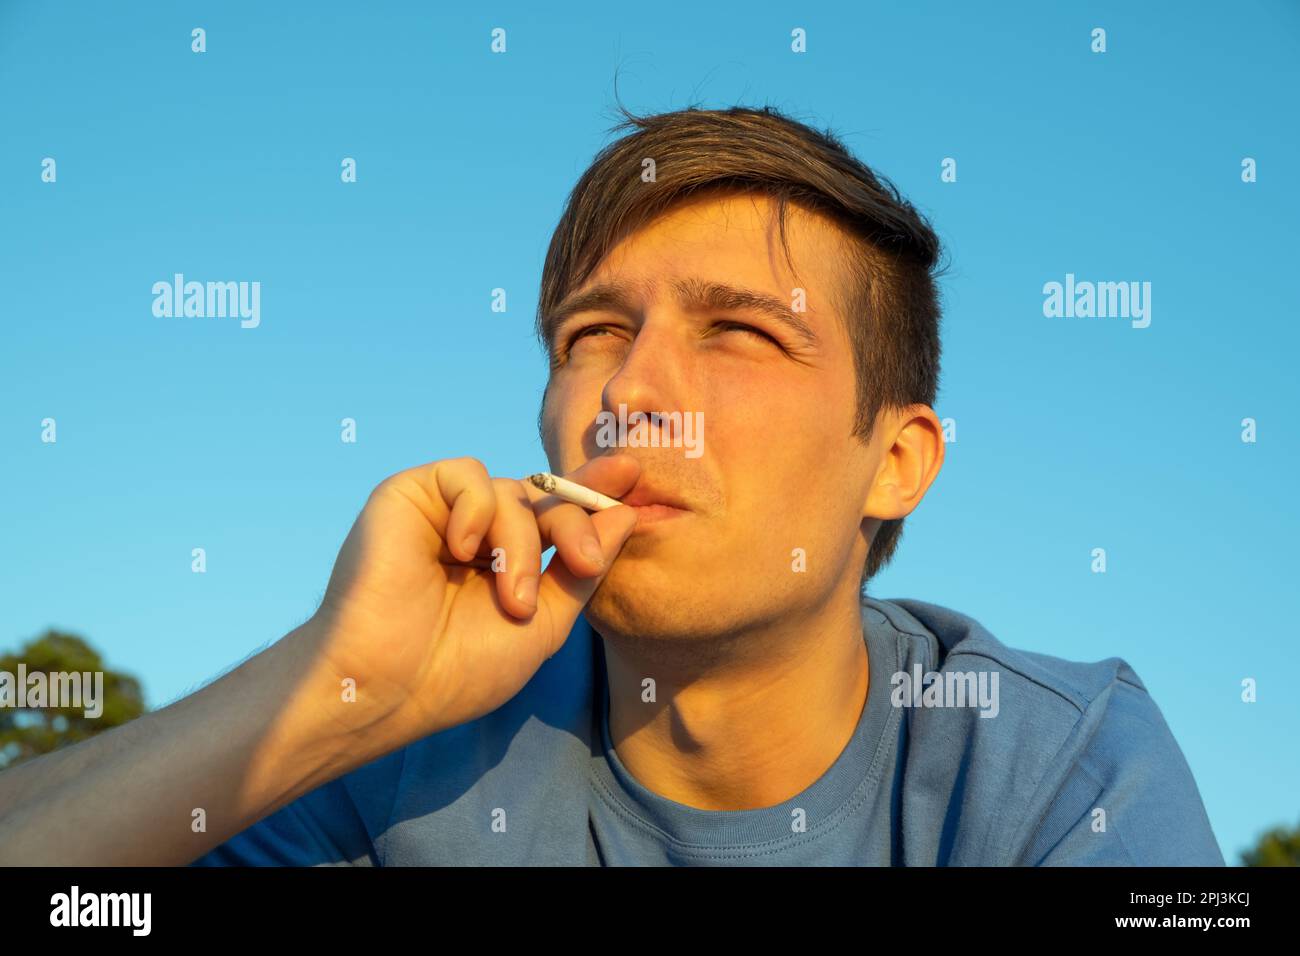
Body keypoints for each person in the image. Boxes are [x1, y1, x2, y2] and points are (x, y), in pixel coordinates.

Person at [0, 104, 1223, 866]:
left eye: (741, 332)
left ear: (895, 461)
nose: (634, 392)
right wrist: (335, 689)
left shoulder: (1057, 766)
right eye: (590, 333)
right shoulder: (417, 760)